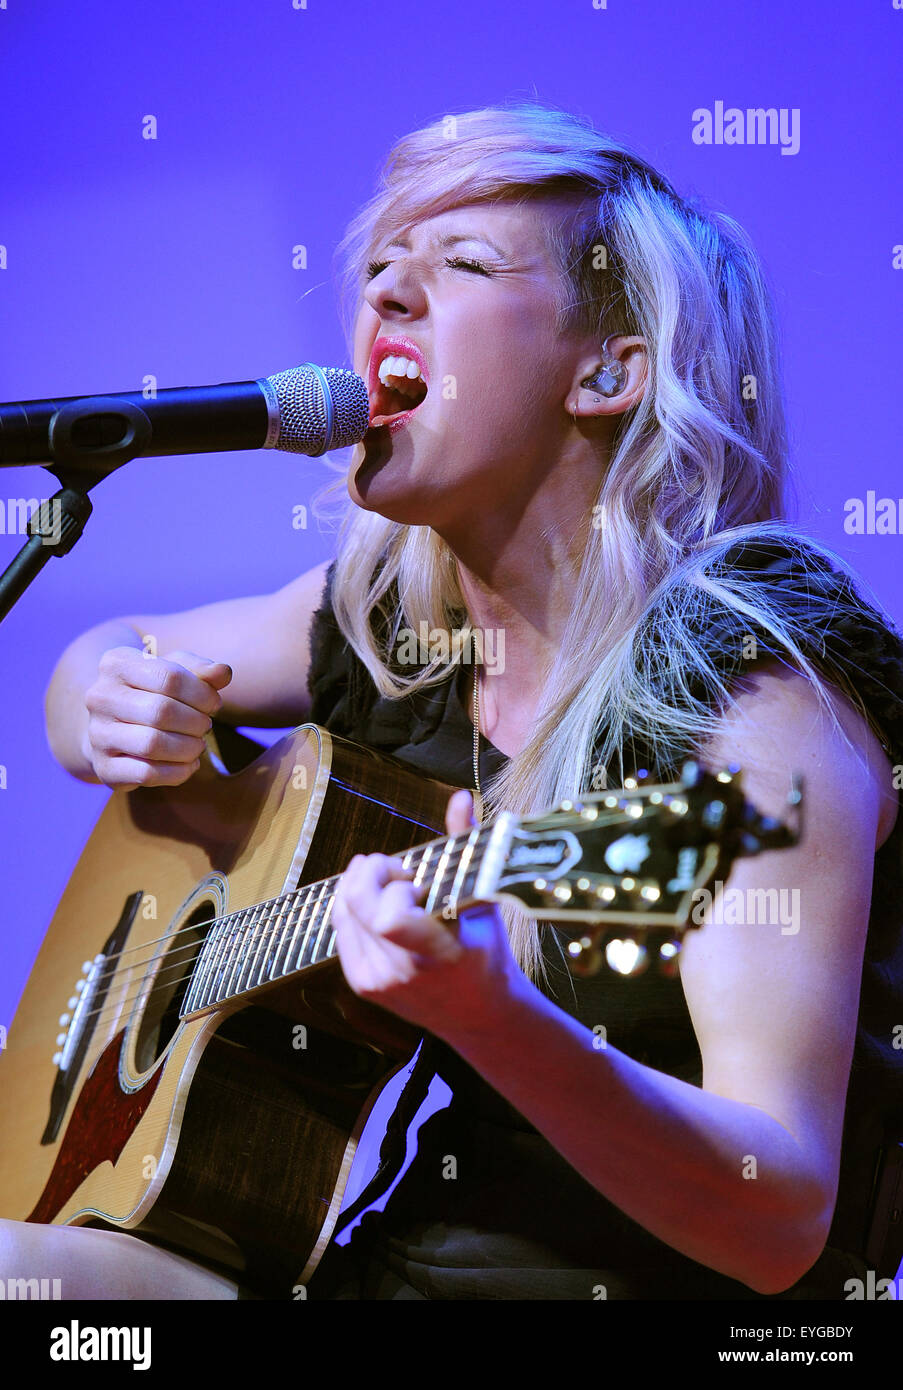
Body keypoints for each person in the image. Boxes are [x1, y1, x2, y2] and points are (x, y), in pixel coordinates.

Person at [6, 101, 903, 1300]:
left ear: (608, 368)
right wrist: (100, 698)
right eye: (379, 266)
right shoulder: (390, 625)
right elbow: (110, 656)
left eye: (462, 264)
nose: (387, 295)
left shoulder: (749, 687)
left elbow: (780, 1214)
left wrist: (495, 1014)